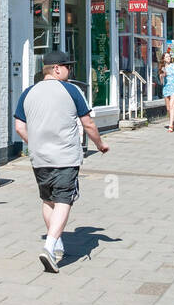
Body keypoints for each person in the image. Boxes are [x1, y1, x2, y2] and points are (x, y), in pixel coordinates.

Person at [13, 50, 108, 273]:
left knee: (48, 201)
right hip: (65, 156)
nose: (69, 70)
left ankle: (57, 245)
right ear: (56, 69)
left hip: (40, 158)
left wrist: (33, 143)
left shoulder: (28, 92)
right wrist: (100, 145)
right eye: (67, 66)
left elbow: (19, 126)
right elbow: (89, 124)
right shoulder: (72, 90)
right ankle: (48, 246)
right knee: (64, 200)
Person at [161, 49, 174, 132]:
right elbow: (161, 82)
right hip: (166, 88)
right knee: (168, 108)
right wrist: (162, 75)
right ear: (164, 59)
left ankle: (170, 126)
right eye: (166, 57)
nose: (168, 58)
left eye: (169, 56)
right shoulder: (162, 68)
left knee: (172, 106)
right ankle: (172, 120)